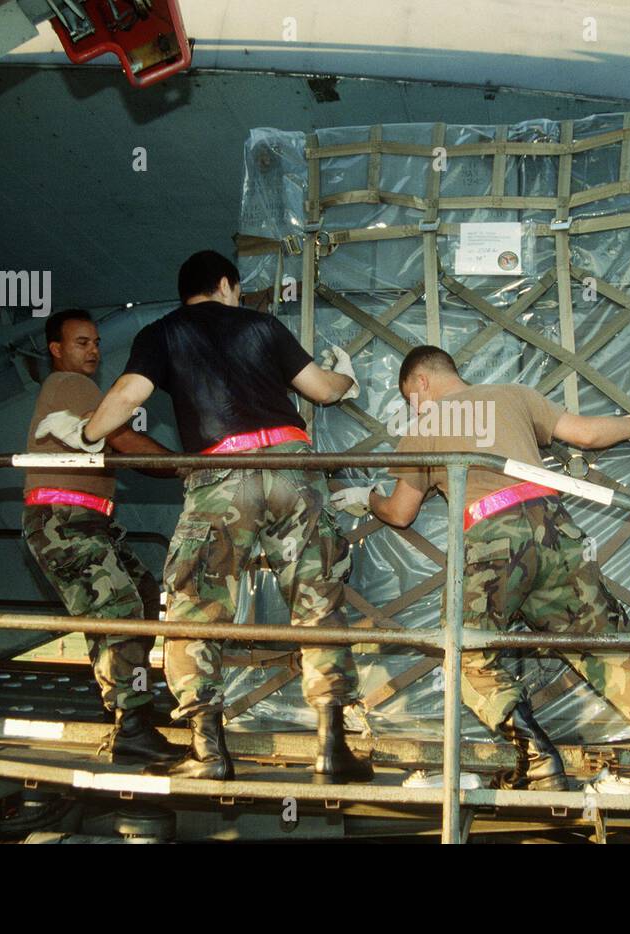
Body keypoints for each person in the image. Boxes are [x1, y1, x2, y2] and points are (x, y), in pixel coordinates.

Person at [36, 251, 373, 783]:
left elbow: (128, 395)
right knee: (318, 601)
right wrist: (346, 380)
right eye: (235, 291)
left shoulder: (162, 332)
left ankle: (210, 751)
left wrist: (88, 434)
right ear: (224, 284)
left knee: (195, 609)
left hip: (221, 475)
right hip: (294, 465)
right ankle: (332, 747)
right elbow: (323, 390)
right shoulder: (263, 325)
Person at [331, 346, 630, 794]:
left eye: (409, 398)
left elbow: (400, 512)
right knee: (600, 640)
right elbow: (587, 434)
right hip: (553, 526)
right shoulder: (514, 395)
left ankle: (539, 761)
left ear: (421, 383)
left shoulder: (424, 427)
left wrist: (368, 498)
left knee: (465, 649)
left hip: (495, 538)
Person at [23, 308, 179, 765]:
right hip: (62, 521)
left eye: (94, 343)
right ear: (56, 350)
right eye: (81, 343)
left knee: (144, 598)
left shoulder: (77, 387)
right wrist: (189, 466)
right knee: (120, 610)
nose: (92, 350)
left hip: (89, 521)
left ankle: (134, 709)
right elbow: (123, 440)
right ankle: (131, 727)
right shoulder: (69, 385)